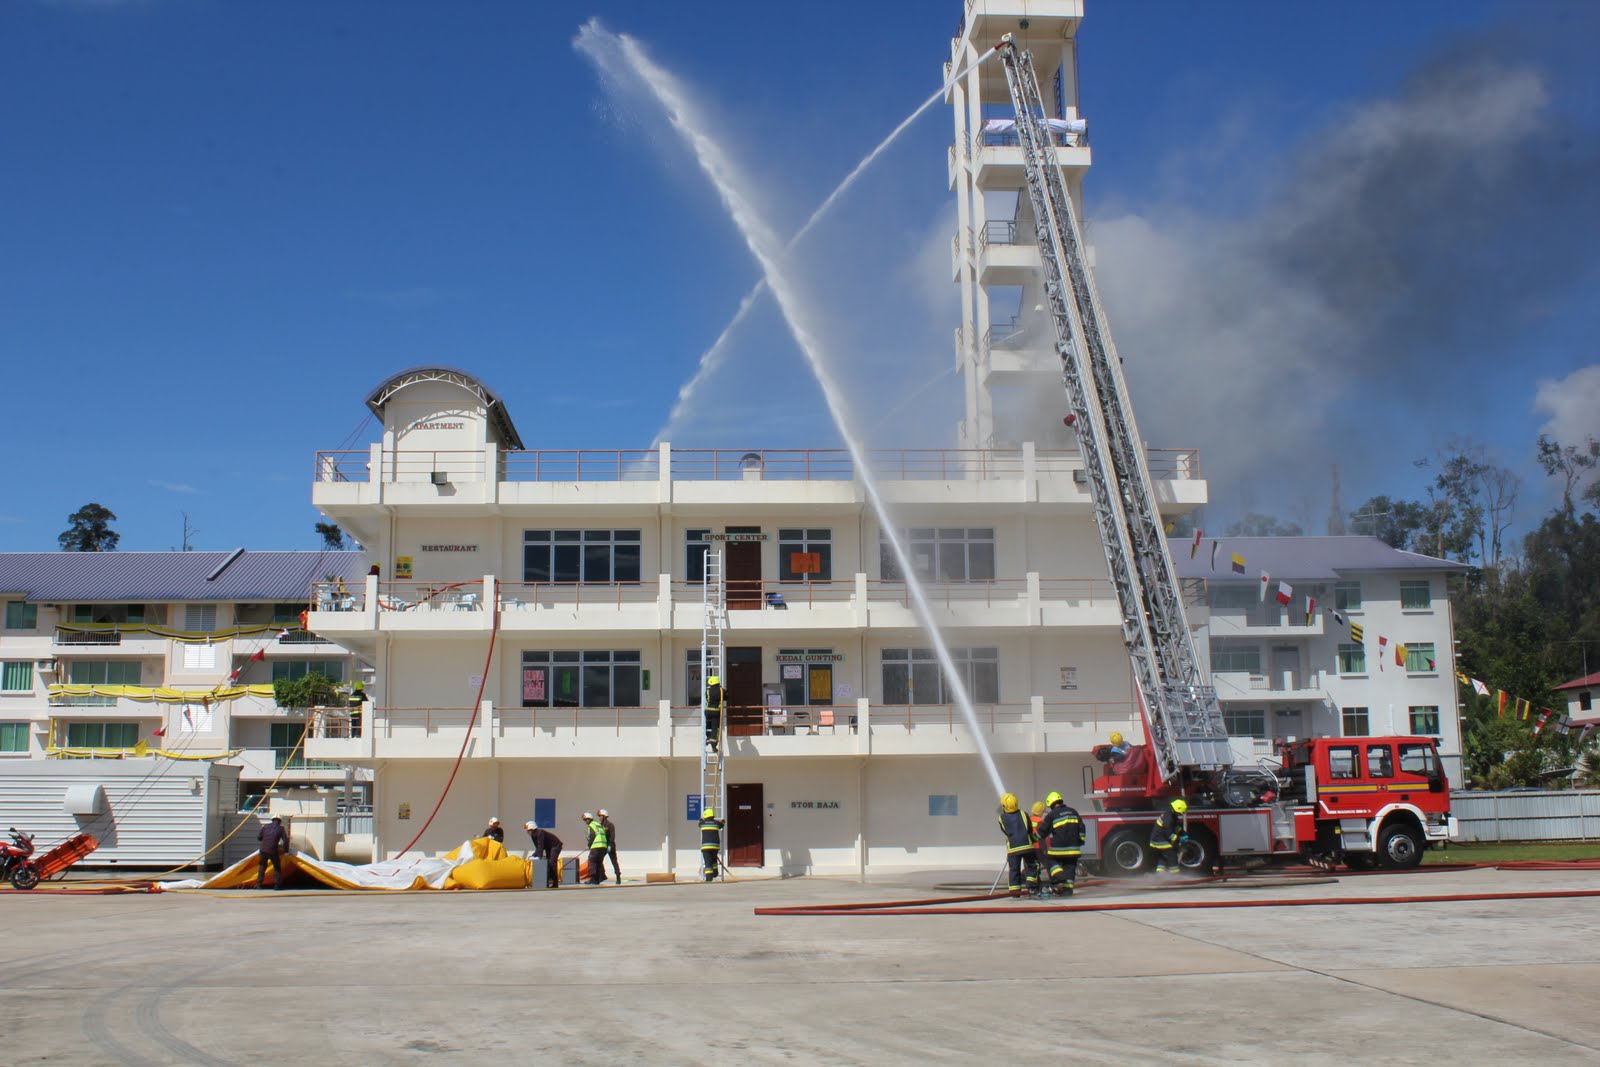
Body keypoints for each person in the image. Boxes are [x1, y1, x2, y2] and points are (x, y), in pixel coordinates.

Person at [1037, 791, 1085, 895]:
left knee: (1050, 860)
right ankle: (1067, 890)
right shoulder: (1073, 811)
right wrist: (1081, 840)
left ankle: (1059, 875)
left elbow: (1043, 831)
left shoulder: (1051, 815)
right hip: (1074, 848)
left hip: (1059, 848)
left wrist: (1034, 838)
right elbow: (1082, 827)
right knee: (1070, 867)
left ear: (1051, 804)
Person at [996, 793, 1038, 895]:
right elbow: (1029, 829)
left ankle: (1015, 891)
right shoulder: (1024, 814)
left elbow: (1005, 831)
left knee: (1014, 869)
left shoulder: (1001, 818)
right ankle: (1031, 884)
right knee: (1031, 865)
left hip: (1013, 848)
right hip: (1027, 845)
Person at [1149, 797, 1187, 875]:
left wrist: (1182, 832)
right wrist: (1180, 839)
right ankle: (1175, 875)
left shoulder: (1172, 814)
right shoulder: (1169, 817)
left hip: (1158, 838)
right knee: (1172, 854)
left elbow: (1174, 827)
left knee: (1163, 856)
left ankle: (1160, 874)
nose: (1180, 814)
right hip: (1160, 839)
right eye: (1180, 812)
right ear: (1177, 809)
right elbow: (1169, 834)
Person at [524, 821, 563, 888]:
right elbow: (537, 848)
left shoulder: (540, 832)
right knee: (548, 864)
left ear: (532, 829)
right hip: (548, 848)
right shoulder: (533, 836)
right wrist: (533, 855)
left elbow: (540, 845)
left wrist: (539, 856)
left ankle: (555, 883)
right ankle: (546, 882)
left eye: (528, 830)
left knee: (552, 863)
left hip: (555, 846)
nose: (528, 832)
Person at [256, 816, 289, 890]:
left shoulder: (265, 827)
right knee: (277, 867)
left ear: (272, 820)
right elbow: (285, 841)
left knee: (262, 866)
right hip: (272, 850)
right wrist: (286, 851)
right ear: (280, 821)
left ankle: (259, 885)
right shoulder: (280, 829)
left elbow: (259, 837)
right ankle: (277, 885)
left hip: (263, 850)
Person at [699, 807, 724, 882]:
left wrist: (701, 819)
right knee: (714, 860)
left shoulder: (702, 824)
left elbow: (699, 823)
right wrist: (722, 822)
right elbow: (722, 825)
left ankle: (709, 878)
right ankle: (715, 873)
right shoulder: (716, 823)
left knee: (708, 863)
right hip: (715, 846)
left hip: (706, 847)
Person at [583, 812, 608, 885]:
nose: (585, 822)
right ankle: (598, 879)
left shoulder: (591, 825)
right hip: (603, 847)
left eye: (585, 820)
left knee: (592, 861)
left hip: (596, 846)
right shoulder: (599, 824)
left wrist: (589, 845)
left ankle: (593, 879)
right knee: (599, 862)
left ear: (589, 819)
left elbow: (592, 836)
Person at [598, 809, 621, 884]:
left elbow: (612, 836)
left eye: (601, 816)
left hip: (610, 846)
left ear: (605, 816)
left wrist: (610, 845)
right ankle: (602, 876)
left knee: (614, 861)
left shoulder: (610, 825)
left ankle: (618, 877)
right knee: (599, 860)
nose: (599, 817)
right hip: (603, 846)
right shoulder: (600, 825)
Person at [704, 675, 725, 753]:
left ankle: (708, 739)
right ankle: (713, 745)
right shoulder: (721, 690)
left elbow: (707, 698)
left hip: (707, 710)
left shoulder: (707, 690)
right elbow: (726, 697)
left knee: (708, 725)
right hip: (716, 711)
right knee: (715, 728)